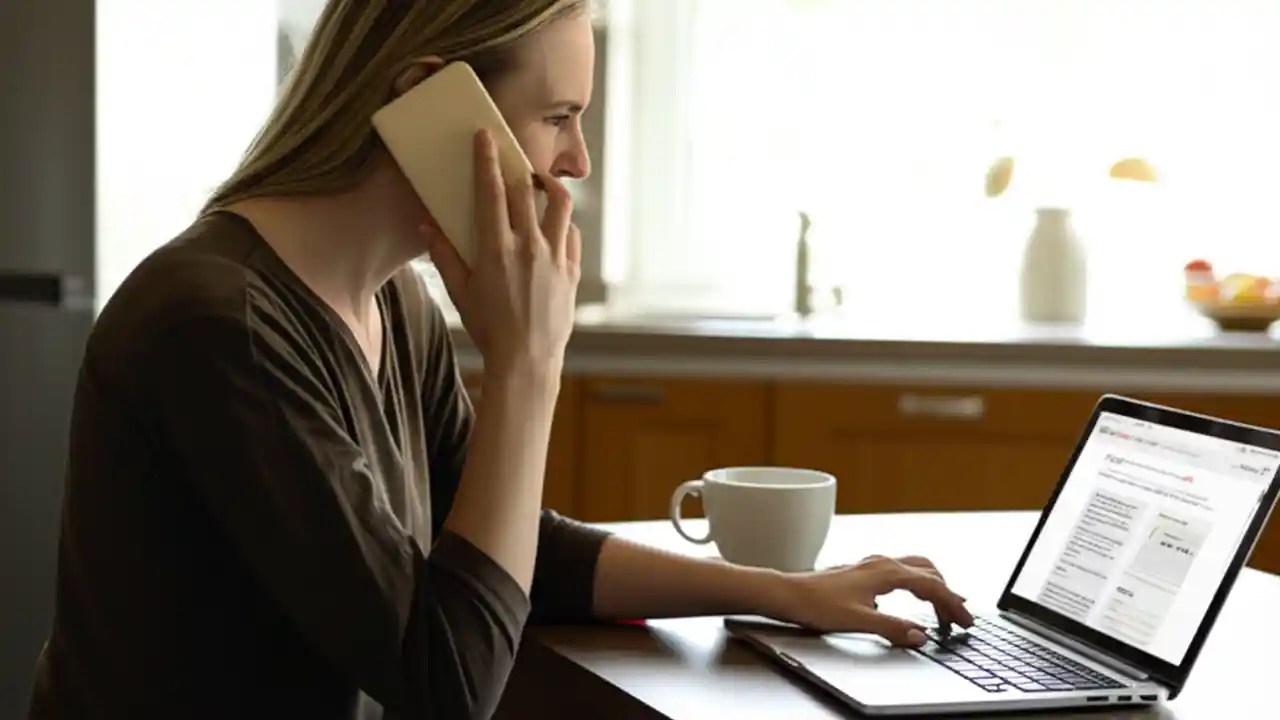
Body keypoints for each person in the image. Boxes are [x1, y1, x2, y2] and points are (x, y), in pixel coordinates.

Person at [29, 1, 972, 718]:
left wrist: (779, 592)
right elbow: (444, 682)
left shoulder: (393, 296)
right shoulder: (220, 324)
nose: (578, 162)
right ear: (424, 100)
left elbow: (514, 558)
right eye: (558, 115)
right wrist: (527, 366)